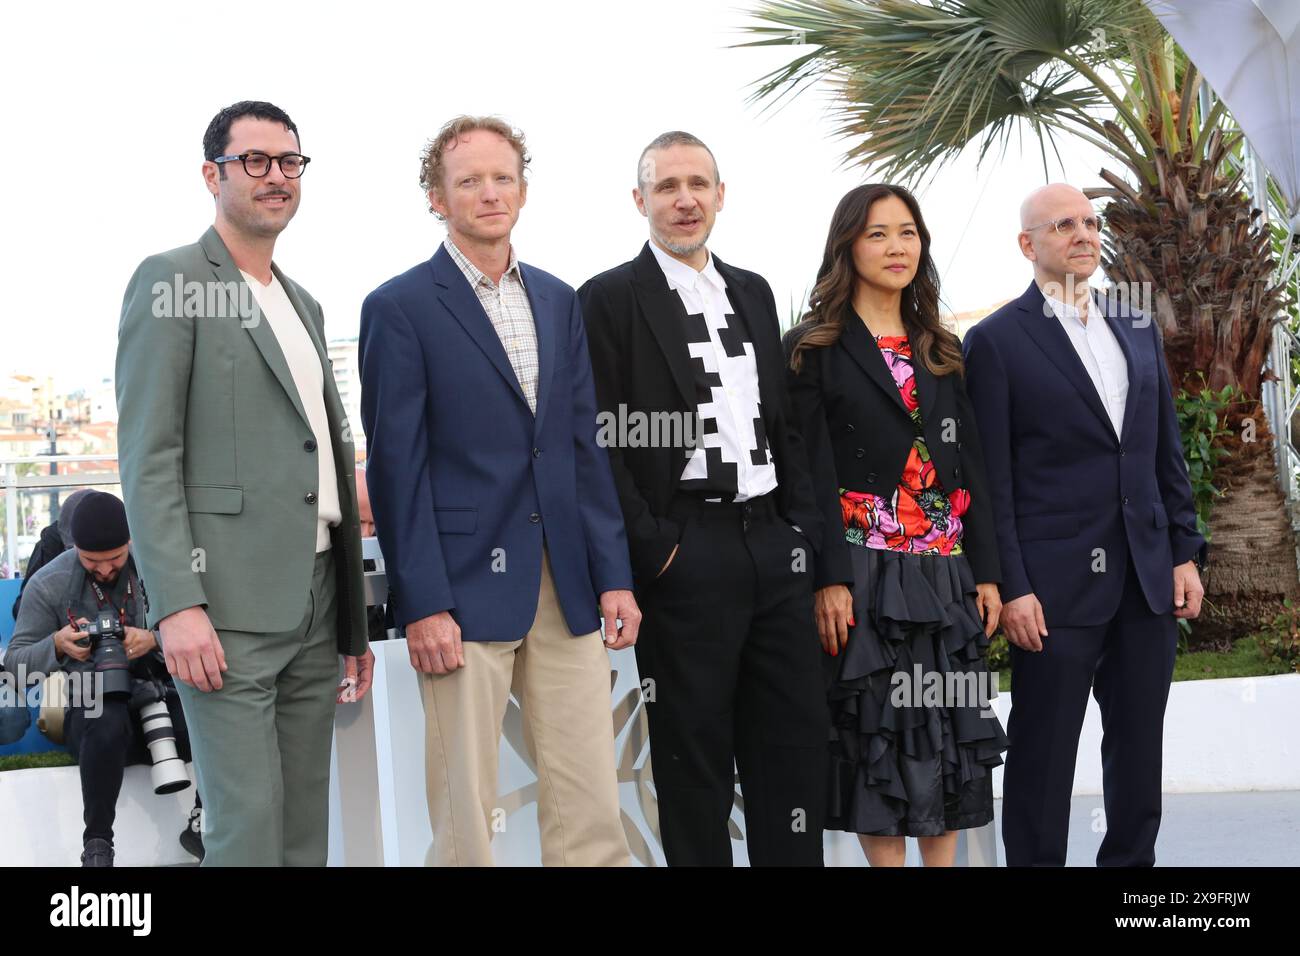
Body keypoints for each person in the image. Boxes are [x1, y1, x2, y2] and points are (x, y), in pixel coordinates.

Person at [359, 115, 639, 867]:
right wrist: (422, 602)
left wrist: (612, 575)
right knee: (464, 818)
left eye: (502, 177)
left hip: (566, 583)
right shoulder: (400, 307)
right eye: (469, 181)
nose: (489, 193)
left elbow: (583, 446)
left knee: (591, 807)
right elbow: (396, 467)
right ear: (435, 198)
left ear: (523, 187)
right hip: (460, 586)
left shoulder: (557, 298)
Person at [115, 100, 373, 866]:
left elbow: (321, 455)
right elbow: (149, 456)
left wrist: (351, 625)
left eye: (289, 162)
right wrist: (179, 605)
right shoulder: (171, 279)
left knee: (303, 829)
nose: (275, 177)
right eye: (254, 161)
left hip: (318, 594)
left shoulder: (305, 303)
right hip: (223, 607)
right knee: (246, 828)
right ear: (212, 174)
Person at [579, 131, 828, 866]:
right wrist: (658, 548)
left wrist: (803, 539)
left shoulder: (751, 291)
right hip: (687, 553)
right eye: (666, 186)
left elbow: (783, 428)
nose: (684, 199)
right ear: (640, 201)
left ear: (721, 195)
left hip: (772, 545)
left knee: (792, 755)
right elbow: (600, 442)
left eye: (698, 183)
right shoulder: (609, 299)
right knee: (695, 769)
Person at [962, 183, 1206, 867]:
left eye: (1090, 222)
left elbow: (1164, 451)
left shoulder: (1134, 324)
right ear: (1028, 244)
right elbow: (992, 482)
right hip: (1052, 589)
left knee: (1138, 750)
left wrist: (1184, 551)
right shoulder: (996, 342)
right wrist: (1012, 584)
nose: (1082, 234)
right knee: (1043, 756)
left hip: (1146, 576)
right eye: (1062, 224)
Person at [784, 184, 1008, 867]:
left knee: (947, 735)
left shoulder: (942, 348)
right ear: (848, 246)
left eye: (906, 232)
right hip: (864, 573)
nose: (895, 247)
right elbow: (808, 475)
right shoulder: (810, 349)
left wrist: (989, 573)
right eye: (877, 233)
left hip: (946, 577)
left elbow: (972, 471)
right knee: (876, 737)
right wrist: (827, 579)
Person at [3, 492, 201, 866]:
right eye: (92, 561)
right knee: (104, 716)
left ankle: (203, 819)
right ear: (75, 547)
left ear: (130, 541)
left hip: (162, 702)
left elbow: (207, 632)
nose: (106, 570)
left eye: (115, 559)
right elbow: (14, 666)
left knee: (210, 714)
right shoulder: (49, 582)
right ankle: (97, 845)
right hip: (92, 714)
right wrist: (57, 646)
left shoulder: (158, 567)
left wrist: (155, 640)